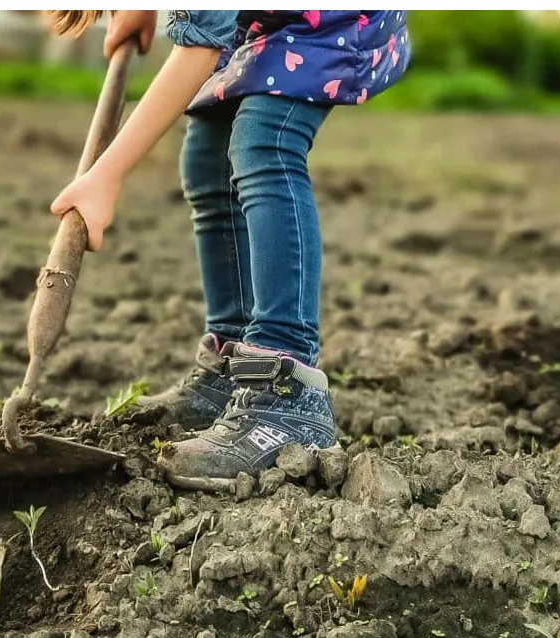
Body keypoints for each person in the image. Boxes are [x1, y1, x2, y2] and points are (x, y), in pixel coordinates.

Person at [47, 10, 410, 491]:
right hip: (270, 19)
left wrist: (107, 175)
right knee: (207, 155)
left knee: (266, 140)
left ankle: (286, 393)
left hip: (332, 19)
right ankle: (231, 365)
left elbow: (199, 49)